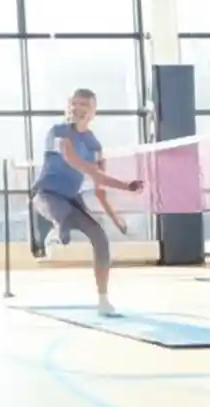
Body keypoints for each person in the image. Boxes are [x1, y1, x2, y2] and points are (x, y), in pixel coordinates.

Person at [31, 88, 143, 317]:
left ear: (93, 111)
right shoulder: (58, 132)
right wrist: (109, 178)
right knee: (61, 215)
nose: (79, 108)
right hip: (47, 195)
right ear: (69, 107)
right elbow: (71, 159)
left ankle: (103, 300)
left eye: (85, 105)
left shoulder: (94, 144)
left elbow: (99, 188)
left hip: (72, 199)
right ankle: (56, 230)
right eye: (75, 104)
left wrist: (116, 217)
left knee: (100, 238)